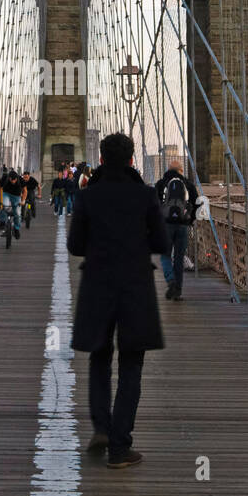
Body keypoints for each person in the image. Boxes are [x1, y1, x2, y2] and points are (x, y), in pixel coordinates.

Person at [67, 131, 169, 469]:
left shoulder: (87, 198)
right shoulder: (145, 195)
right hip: (134, 289)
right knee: (131, 366)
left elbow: (75, 246)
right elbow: (162, 243)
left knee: (99, 359)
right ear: (130, 160)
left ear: (100, 160)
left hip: (97, 285)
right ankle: (120, 446)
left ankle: (101, 427)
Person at [155, 157, 198, 300]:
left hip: (165, 225)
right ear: (181, 170)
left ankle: (170, 280)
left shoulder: (161, 184)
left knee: (165, 255)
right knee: (179, 258)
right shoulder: (188, 184)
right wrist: (189, 221)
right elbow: (196, 204)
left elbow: (154, 205)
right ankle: (178, 292)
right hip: (182, 225)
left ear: (168, 170)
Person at [0, 166, 25, 240]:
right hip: (6, 194)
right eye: (11, 180)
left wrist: (23, 200)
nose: (13, 182)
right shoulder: (5, 177)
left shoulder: (20, 179)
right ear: (9, 178)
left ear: (16, 178)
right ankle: (2, 222)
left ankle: (16, 229)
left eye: (14, 180)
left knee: (17, 213)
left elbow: (25, 191)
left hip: (16, 196)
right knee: (4, 206)